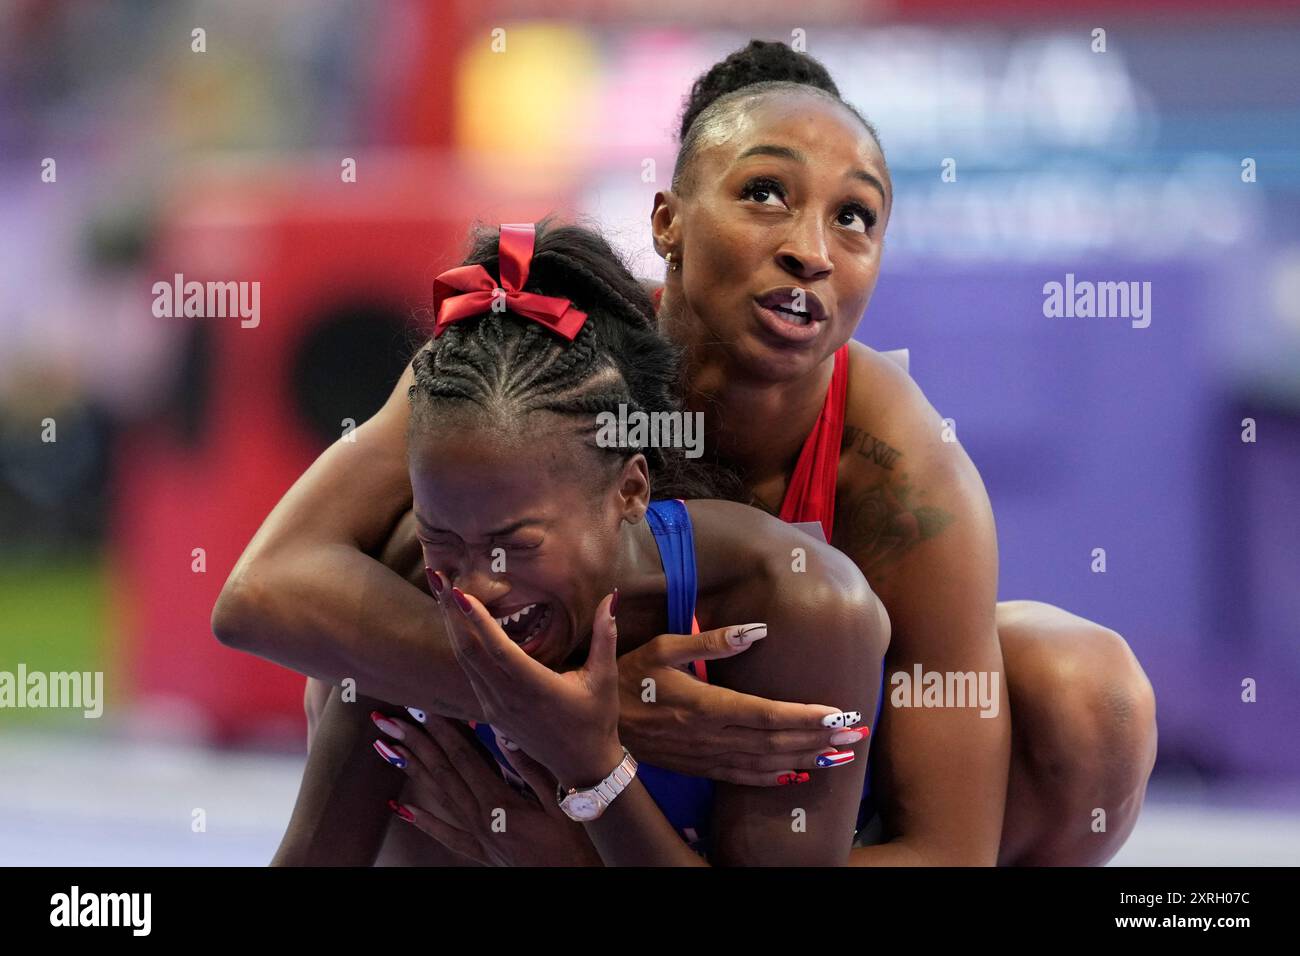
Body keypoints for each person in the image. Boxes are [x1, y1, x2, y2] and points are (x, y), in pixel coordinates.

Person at [214, 41, 1156, 866]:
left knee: (1088, 692)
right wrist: (579, 713)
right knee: (404, 560)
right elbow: (266, 589)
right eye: (765, 194)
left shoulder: (903, 468)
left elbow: (948, 853)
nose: (811, 251)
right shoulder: (540, 367)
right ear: (667, 221)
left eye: (854, 217)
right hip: (527, 795)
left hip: (792, 831)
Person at [270, 221, 888, 866]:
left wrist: (594, 779)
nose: (474, 588)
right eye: (440, 540)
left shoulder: (803, 603)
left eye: (516, 543)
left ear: (630, 491)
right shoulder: (403, 591)